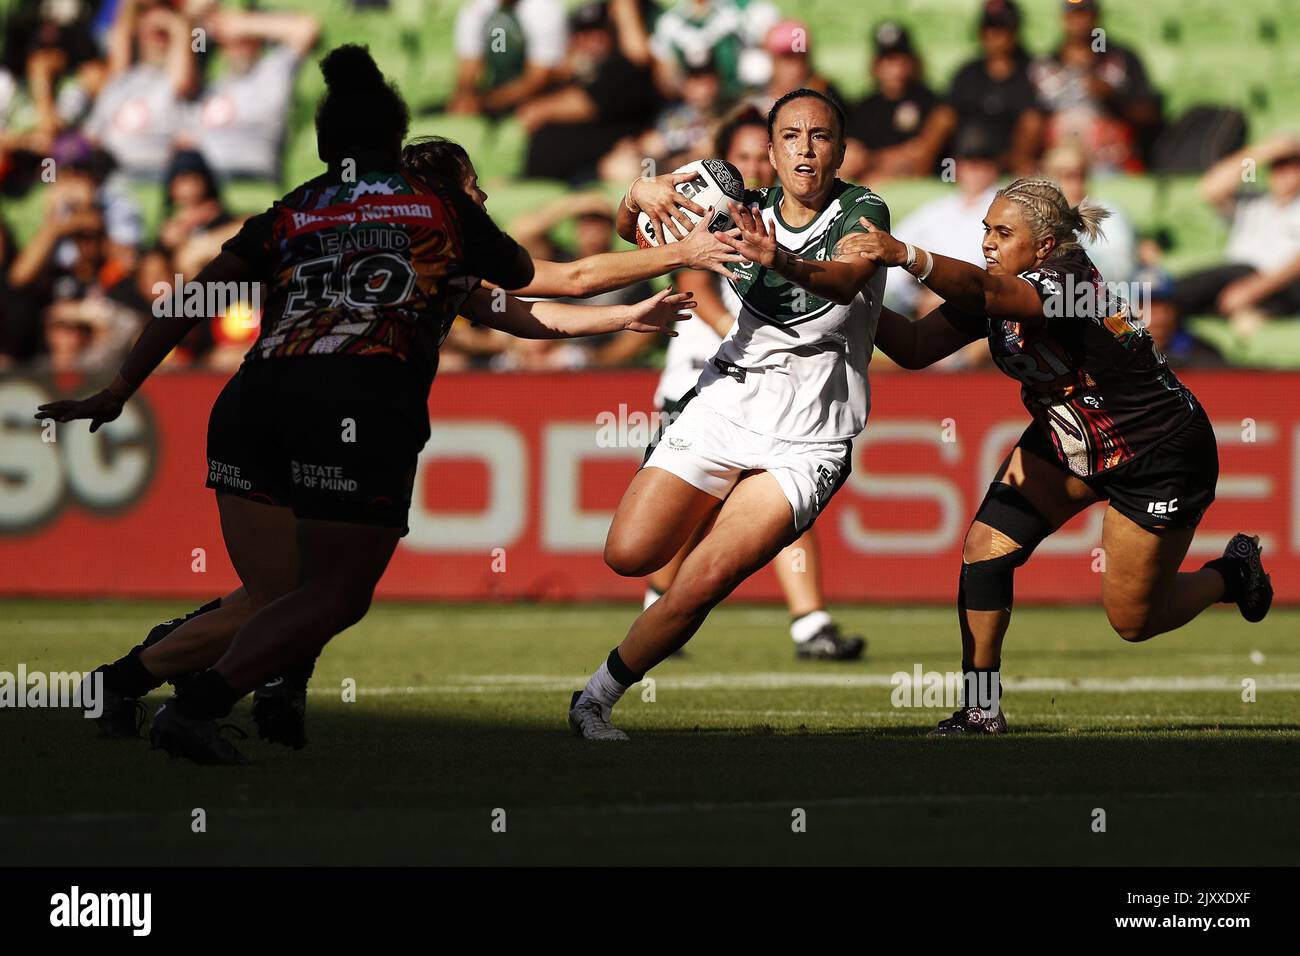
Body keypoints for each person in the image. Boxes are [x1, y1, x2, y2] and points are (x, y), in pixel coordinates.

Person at [36, 46, 695, 765]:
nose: (482, 199)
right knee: (336, 592)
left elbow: (193, 295)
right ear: (403, 146)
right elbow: (563, 280)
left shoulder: (296, 209)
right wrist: (686, 249)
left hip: (251, 401)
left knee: (275, 595)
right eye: (476, 187)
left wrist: (120, 387)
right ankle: (200, 706)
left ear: (325, 143)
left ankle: (122, 684)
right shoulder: (438, 214)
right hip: (354, 399)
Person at [846, 177, 1273, 735]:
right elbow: (915, 348)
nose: (989, 243)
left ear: (1044, 246)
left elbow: (991, 297)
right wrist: (852, 294)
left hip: (1156, 451)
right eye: (985, 230)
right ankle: (982, 707)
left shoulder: (1069, 281)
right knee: (985, 549)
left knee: (1135, 621)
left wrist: (905, 255)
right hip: (1068, 438)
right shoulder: (993, 287)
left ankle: (1232, 572)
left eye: (1003, 232)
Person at [568, 88, 889, 740]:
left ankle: (595, 699)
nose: (805, 147)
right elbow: (640, 234)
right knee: (630, 555)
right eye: (791, 135)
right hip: (723, 407)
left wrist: (779, 258)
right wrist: (638, 194)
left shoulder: (864, 209)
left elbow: (847, 279)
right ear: (770, 153)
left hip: (809, 440)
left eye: (820, 135)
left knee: (702, 579)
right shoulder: (737, 213)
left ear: (841, 150)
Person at [654, 105, 865, 659]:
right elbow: (686, 273)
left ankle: (808, 622)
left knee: (777, 506)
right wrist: (635, 195)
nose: (754, 167)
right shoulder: (720, 210)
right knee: (689, 518)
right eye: (742, 157)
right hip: (702, 378)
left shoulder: (779, 216)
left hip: (769, 390)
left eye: (758, 156)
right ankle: (658, 605)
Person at [1173, 133, 1300, 336]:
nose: (1284, 173)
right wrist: (1268, 150)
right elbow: (1209, 188)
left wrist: (1252, 289)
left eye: (1292, 165)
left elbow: (1296, 264)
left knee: (1176, 296)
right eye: (1278, 166)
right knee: (1174, 298)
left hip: (1277, 285)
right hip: (1234, 279)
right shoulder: (1253, 202)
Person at [1028, 0, 1160, 173]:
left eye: (1085, 14)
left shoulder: (1121, 59)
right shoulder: (1044, 65)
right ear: (1063, 18)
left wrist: (1113, 96)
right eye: (1074, 14)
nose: (1079, 22)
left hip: (1110, 162)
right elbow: (1028, 121)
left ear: (1096, 17)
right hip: (1060, 164)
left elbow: (1149, 114)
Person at [925, 0, 1041, 176]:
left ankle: (1016, 179)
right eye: (989, 29)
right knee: (941, 118)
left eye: (1002, 29)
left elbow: (1034, 121)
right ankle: (919, 177)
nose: (994, 36)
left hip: (1008, 157)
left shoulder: (1032, 71)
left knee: (1032, 123)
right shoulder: (968, 73)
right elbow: (946, 115)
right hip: (965, 151)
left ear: (1015, 32)